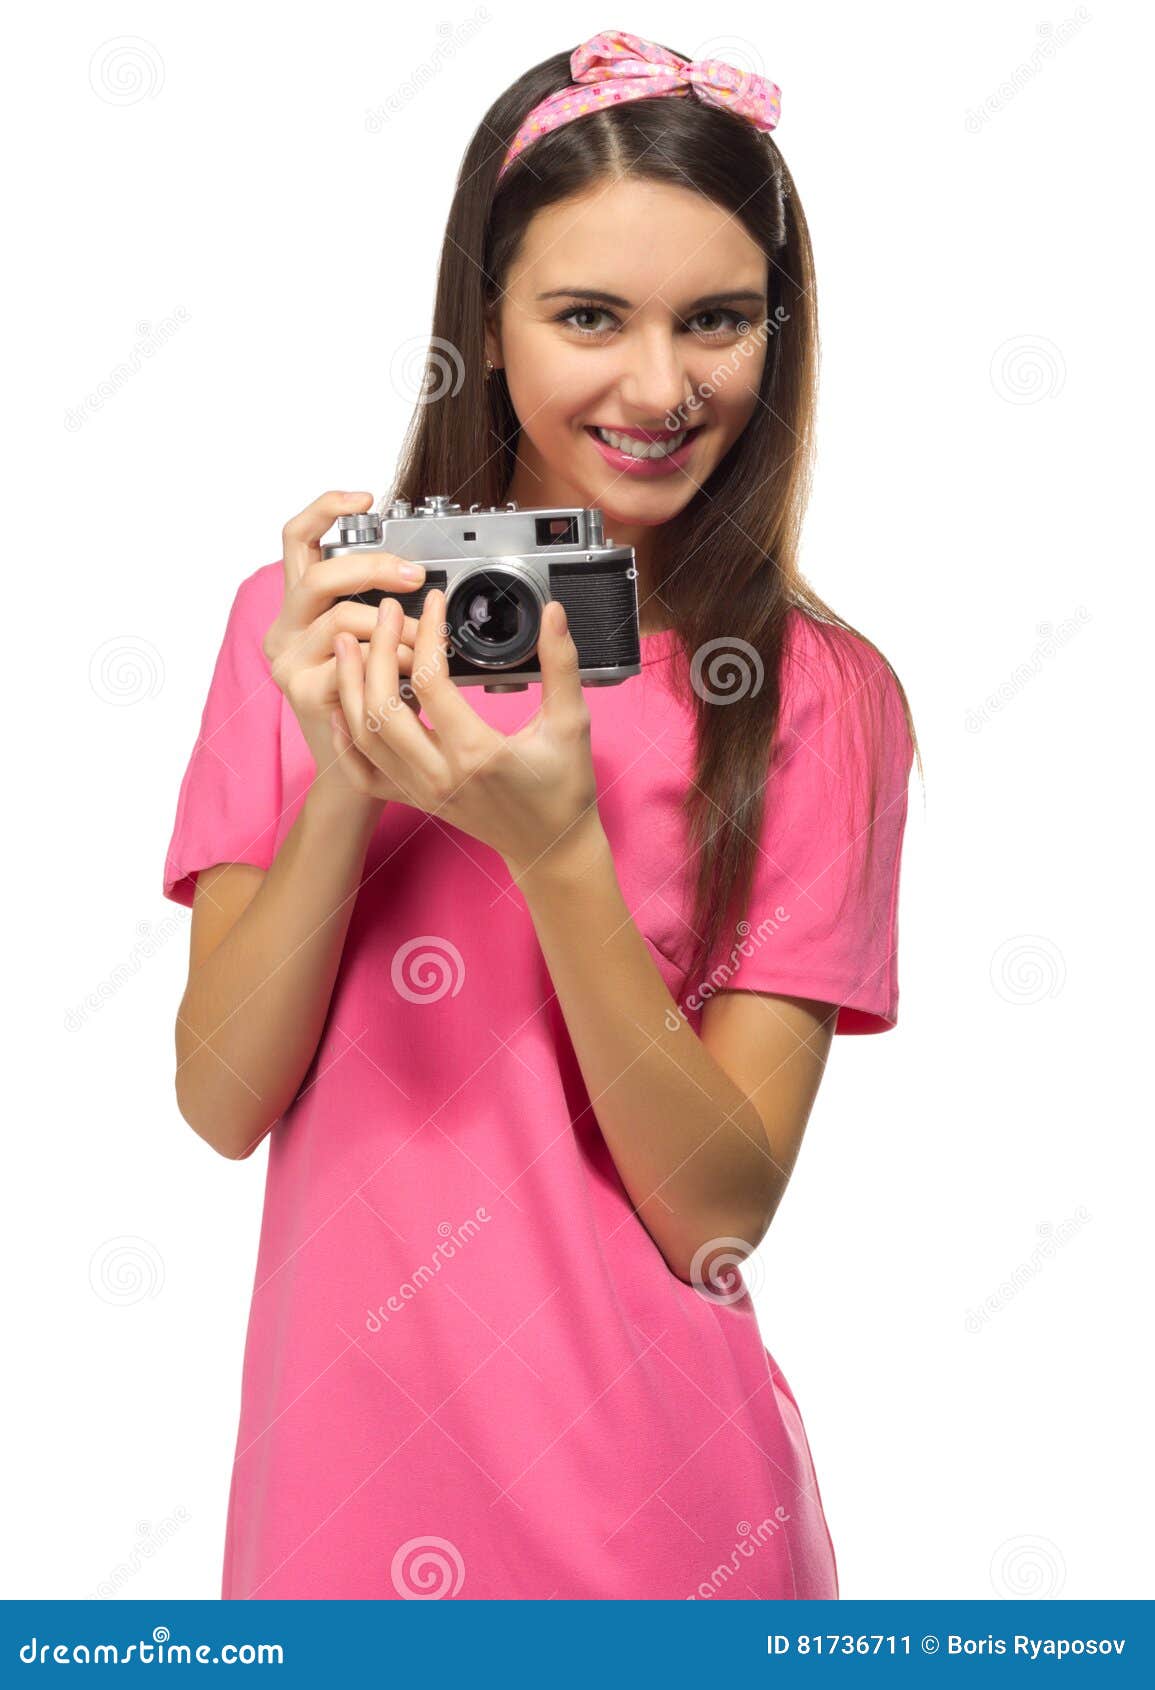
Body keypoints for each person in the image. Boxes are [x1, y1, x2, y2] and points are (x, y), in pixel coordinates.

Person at [163, 30, 921, 1601]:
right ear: (483, 328)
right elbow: (223, 1098)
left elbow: (720, 1208)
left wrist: (559, 850)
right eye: (590, 317)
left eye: (717, 321)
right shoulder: (300, 629)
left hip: (669, 1538)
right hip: (331, 1534)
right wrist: (346, 785)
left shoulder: (815, 695)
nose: (661, 386)